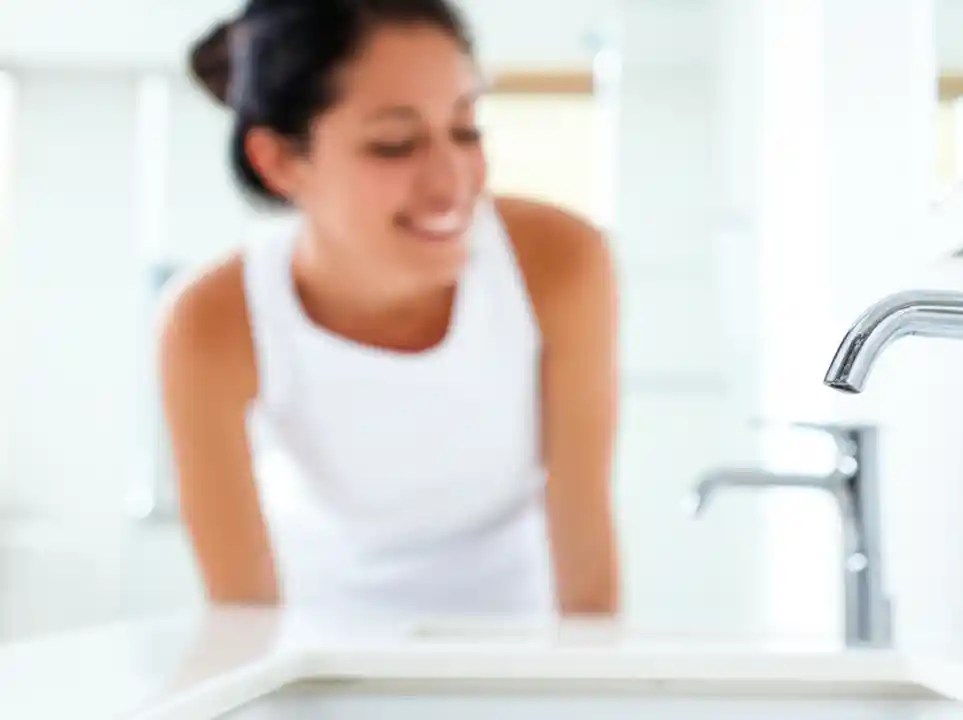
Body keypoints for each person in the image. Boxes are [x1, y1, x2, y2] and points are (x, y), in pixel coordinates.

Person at [160, 0, 619, 618]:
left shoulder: (561, 262)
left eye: (466, 130)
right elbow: (241, 608)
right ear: (279, 161)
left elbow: (586, 547)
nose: (451, 182)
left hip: (523, 648)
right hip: (318, 661)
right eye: (394, 145)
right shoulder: (212, 321)